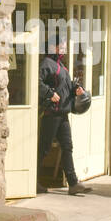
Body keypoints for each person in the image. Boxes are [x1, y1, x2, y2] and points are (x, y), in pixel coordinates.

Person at [38, 37, 91, 196]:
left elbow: (65, 86)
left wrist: (77, 88)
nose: (65, 48)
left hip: (63, 114)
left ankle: (73, 183)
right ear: (54, 47)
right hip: (51, 113)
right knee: (44, 149)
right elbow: (37, 82)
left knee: (67, 147)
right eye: (62, 46)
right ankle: (33, 182)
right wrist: (49, 93)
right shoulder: (47, 63)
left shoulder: (61, 66)